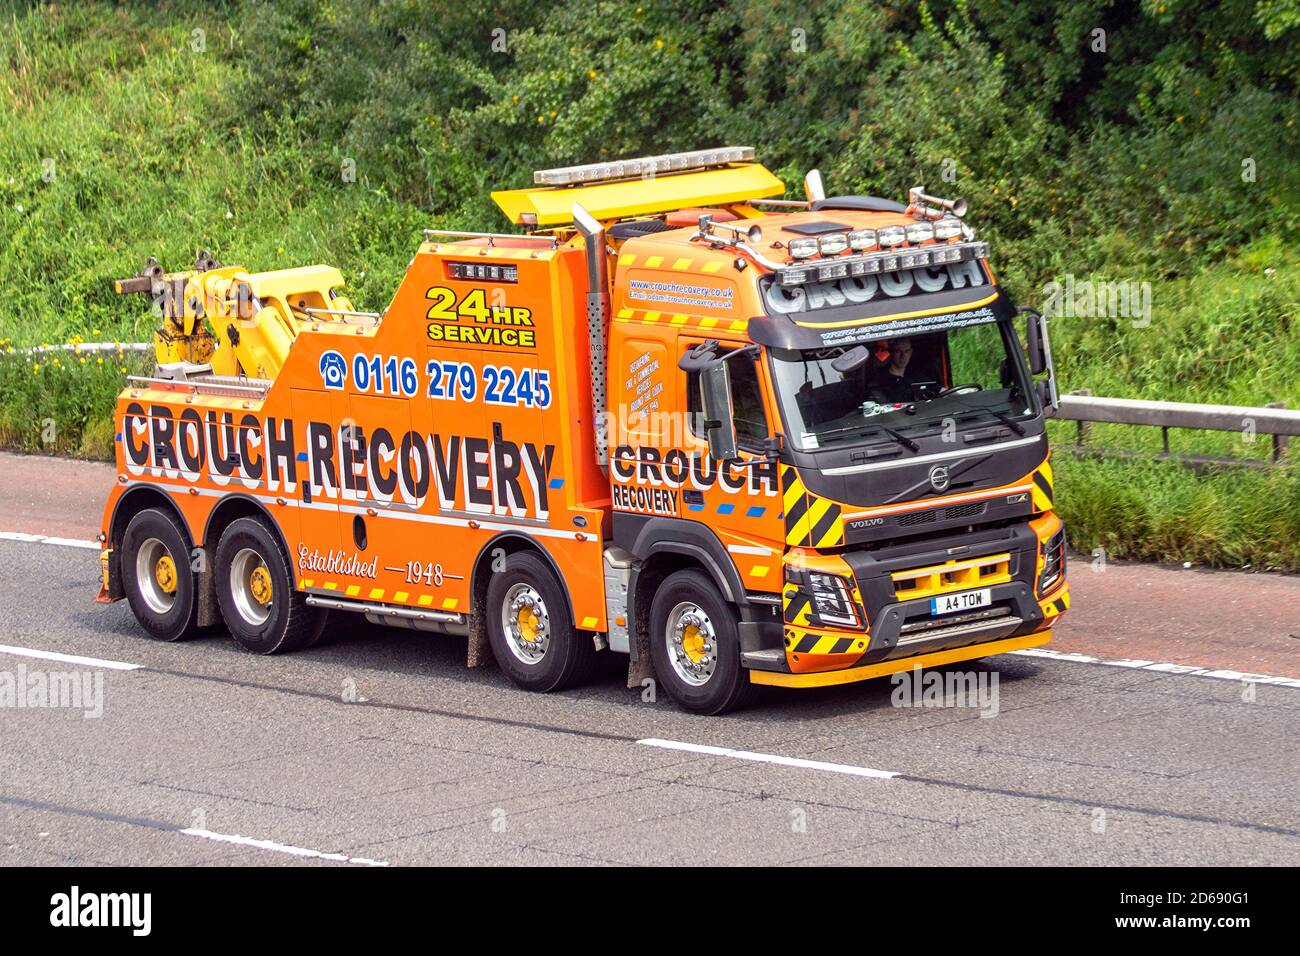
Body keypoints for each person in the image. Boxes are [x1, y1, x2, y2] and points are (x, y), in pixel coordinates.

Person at [868, 337, 920, 403]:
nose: (903, 356)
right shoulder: (878, 383)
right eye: (898, 351)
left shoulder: (917, 376)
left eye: (906, 351)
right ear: (891, 353)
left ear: (911, 352)